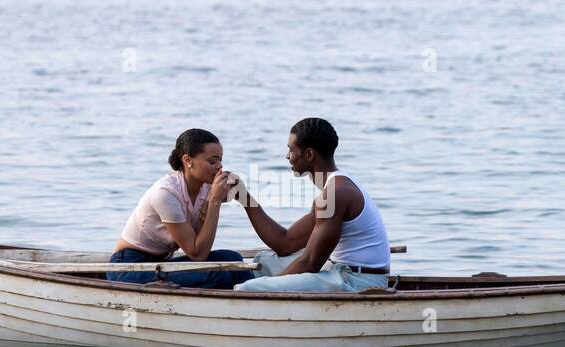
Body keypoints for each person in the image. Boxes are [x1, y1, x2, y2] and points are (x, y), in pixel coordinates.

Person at [231, 118, 391, 293]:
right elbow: (285, 243)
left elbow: (310, 263)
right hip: (341, 271)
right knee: (263, 261)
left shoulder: (336, 193)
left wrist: (269, 285)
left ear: (309, 155)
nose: (287, 156)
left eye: (291, 150)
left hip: (359, 282)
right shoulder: (333, 189)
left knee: (247, 289)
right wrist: (244, 197)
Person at [107, 129, 248, 289]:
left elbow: (239, 192)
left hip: (160, 264)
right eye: (212, 161)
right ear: (188, 160)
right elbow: (197, 254)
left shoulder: (208, 186)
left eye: (221, 160)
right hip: (128, 267)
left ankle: (255, 301)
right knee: (217, 274)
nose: (220, 166)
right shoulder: (166, 194)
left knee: (233, 259)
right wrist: (214, 202)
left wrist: (236, 187)